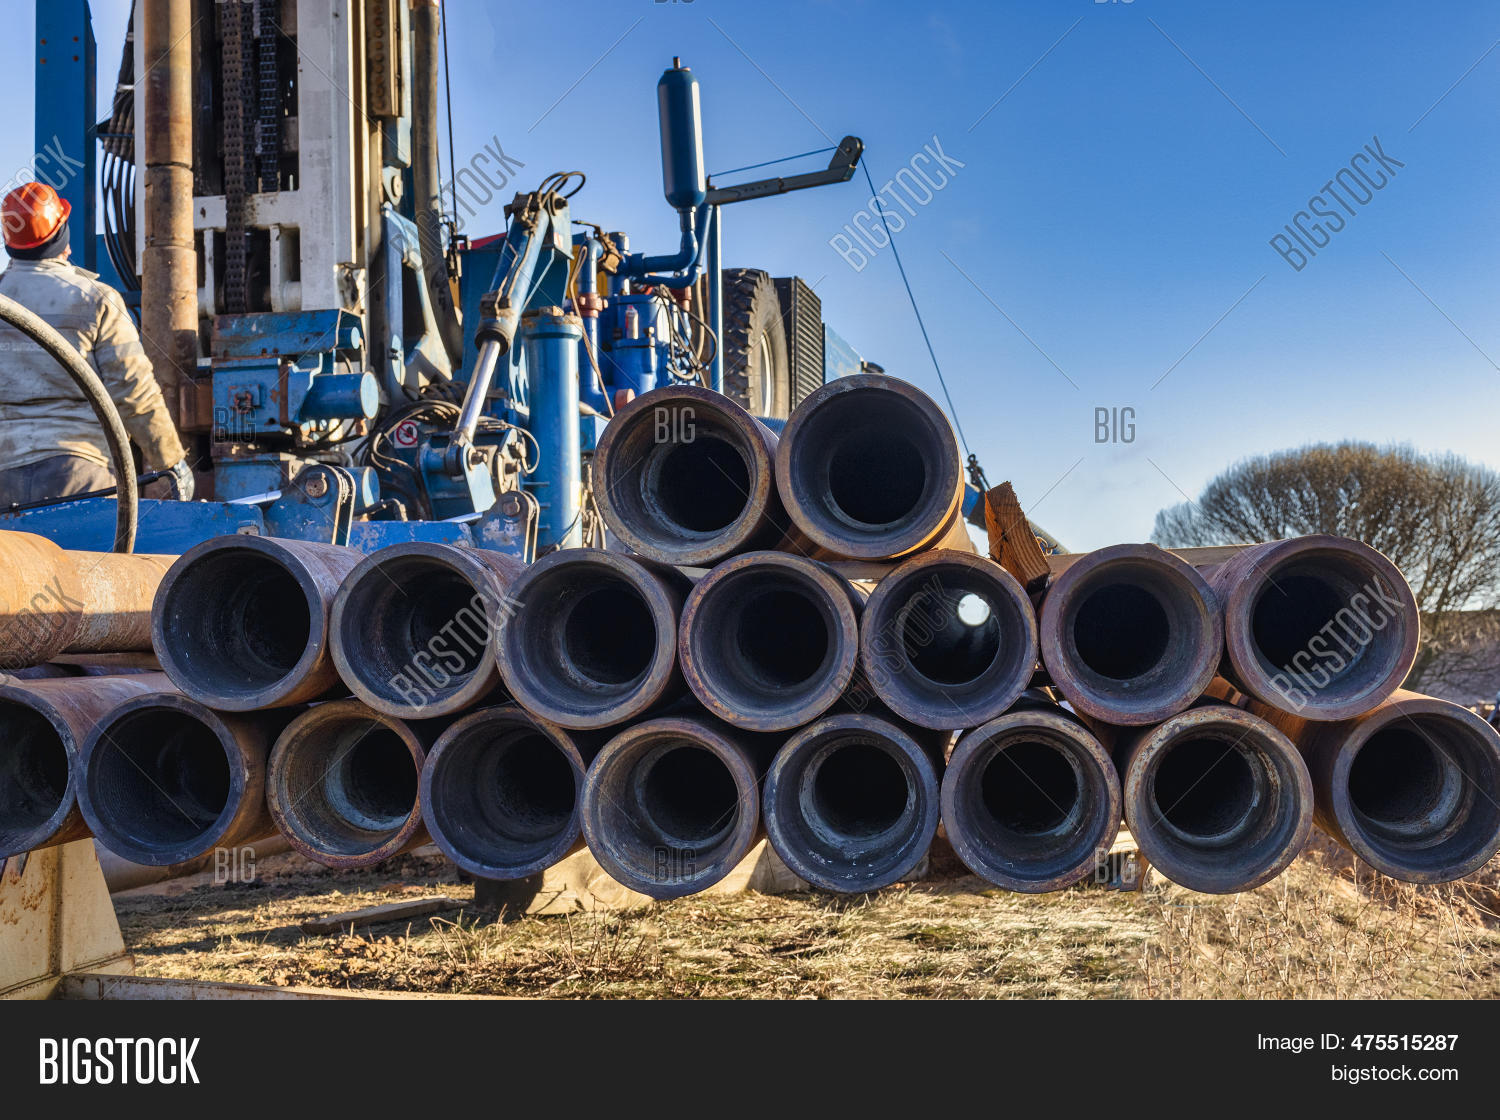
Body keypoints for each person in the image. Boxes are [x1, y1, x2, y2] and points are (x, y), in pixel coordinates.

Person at [0, 181, 192, 506]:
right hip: (78, 473)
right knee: (91, 557)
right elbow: (134, 393)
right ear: (62, 238)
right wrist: (171, 463)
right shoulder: (97, 299)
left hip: (3, 476)